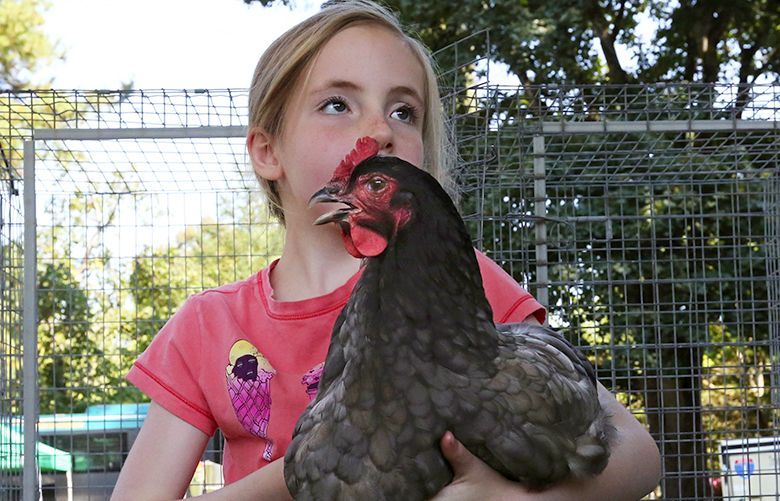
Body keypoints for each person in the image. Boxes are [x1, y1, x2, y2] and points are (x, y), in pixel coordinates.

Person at [111, 1, 662, 499]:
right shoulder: (209, 326)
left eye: (404, 112)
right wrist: (329, 460)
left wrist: (514, 500)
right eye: (336, 104)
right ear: (267, 150)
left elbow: (637, 455)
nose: (380, 128)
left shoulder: (463, 286)